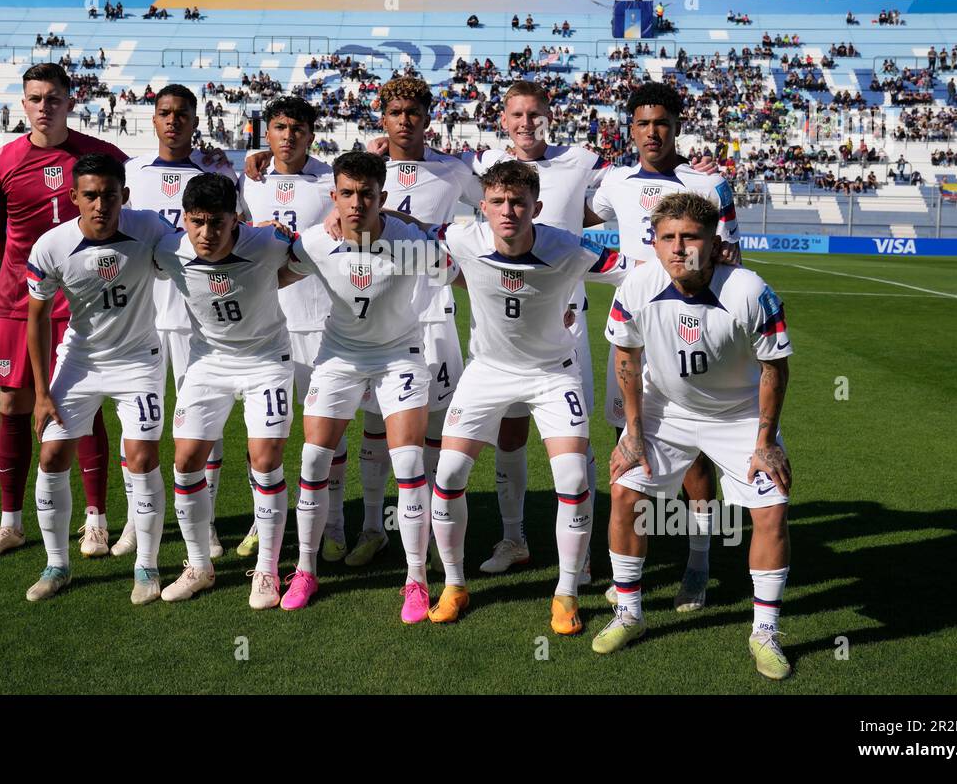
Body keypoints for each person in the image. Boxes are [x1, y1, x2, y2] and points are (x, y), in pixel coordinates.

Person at [420, 161, 631, 633]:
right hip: (487, 372)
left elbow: (630, 272)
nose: (508, 210)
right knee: (450, 471)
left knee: (575, 476)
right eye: (497, 202)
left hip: (553, 374)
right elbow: (404, 228)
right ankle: (454, 584)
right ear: (483, 207)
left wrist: (700, 261)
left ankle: (567, 592)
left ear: (536, 207)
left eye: (518, 202)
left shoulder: (568, 247)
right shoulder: (462, 238)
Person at [596, 192, 794, 681]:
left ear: (714, 241)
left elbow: (775, 367)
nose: (679, 247)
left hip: (739, 414)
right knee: (624, 492)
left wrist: (765, 440)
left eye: (691, 236)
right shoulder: (637, 285)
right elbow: (627, 360)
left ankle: (764, 632)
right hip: (667, 410)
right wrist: (633, 432)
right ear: (654, 242)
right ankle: (629, 613)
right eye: (668, 237)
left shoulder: (749, 289)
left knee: (771, 508)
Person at [276, 151, 449, 620]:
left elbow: (464, 262)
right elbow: (270, 275)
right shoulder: (314, 243)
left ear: (382, 197)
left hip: (399, 355)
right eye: (347, 194)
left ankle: (416, 579)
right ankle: (306, 569)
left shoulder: (410, 241)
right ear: (333, 196)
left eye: (367, 195)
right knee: (313, 457)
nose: (356, 203)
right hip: (339, 355)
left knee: (410, 459)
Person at [589, 81, 740, 611]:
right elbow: (575, 217)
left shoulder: (709, 184)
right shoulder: (613, 183)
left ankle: (698, 564)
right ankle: (636, 567)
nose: (652, 132)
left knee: (697, 457)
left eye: (661, 122)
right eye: (642, 123)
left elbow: (732, 258)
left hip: (691, 335)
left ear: (676, 125)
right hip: (634, 334)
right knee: (631, 449)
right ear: (629, 128)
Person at [0, 63, 128, 562]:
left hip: (82, 304)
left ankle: (97, 522)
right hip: (20, 303)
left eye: (54, 98)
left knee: (85, 407)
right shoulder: (2, 163)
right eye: (35, 98)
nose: (44, 106)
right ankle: (11, 524)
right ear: (23, 105)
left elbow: (144, 186)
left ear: (70, 102)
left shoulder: (100, 156)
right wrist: (25, 270)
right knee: (13, 406)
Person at [24, 153, 175, 604]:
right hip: (80, 362)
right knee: (51, 456)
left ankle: (146, 566)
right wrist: (40, 392)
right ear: (73, 197)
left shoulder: (149, 228)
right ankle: (57, 565)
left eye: (110, 195)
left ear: (124, 196)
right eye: (90, 195)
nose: (100, 205)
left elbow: (201, 246)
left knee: (142, 457)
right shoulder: (50, 247)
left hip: (139, 361)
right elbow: (36, 318)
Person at [150, 175, 304, 607]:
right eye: (196, 222)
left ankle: (269, 571)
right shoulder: (170, 250)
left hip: (266, 360)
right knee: (185, 460)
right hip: (207, 362)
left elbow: (306, 261)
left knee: (266, 457)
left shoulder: (268, 244)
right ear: (184, 219)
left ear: (236, 219)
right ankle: (199, 565)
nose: (206, 233)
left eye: (216, 222)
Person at [111, 84, 236, 557]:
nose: (173, 121)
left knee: (201, 423)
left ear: (195, 120)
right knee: (137, 423)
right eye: (164, 113)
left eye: (182, 114)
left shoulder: (216, 173)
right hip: (138, 315)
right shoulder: (132, 172)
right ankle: (133, 523)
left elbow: (234, 236)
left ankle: (205, 525)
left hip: (196, 319)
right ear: (153, 118)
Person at [235, 97, 343, 564]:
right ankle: (264, 523)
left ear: (311, 134)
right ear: (269, 132)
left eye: (298, 128)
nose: (289, 135)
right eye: (279, 127)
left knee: (325, 436)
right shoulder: (251, 178)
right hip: (263, 324)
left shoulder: (330, 180)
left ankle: (334, 524)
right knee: (263, 433)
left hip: (320, 321)